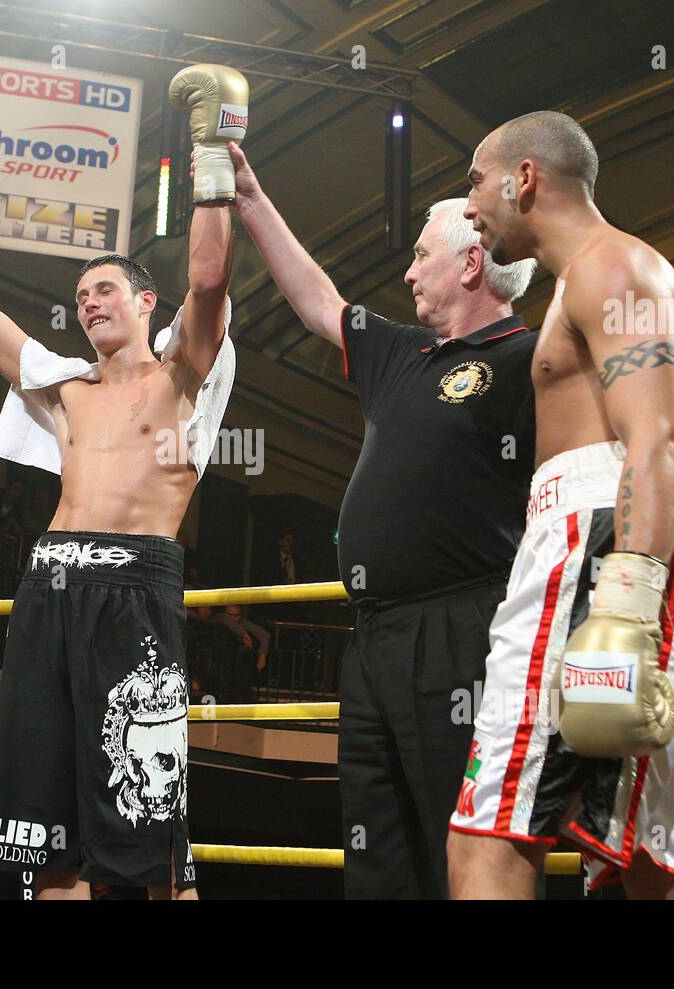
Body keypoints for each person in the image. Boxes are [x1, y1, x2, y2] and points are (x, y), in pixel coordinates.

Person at [0, 62, 242, 901]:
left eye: (104, 289)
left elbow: (210, 280)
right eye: (80, 294)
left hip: (134, 590)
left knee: (144, 820)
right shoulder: (64, 389)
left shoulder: (184, 377)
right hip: (49, 587)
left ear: (144, 301)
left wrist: (212, 155)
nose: (89, 301)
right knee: (38, 826)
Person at [229, 143, 538, 898]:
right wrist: (250, 199)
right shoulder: (407, 351)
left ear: (469, 265)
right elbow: (318, 301)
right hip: (372, 635)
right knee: (376, 848)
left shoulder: (531, 358)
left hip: (463, 625)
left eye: (421, 256)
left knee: (459, 846)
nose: (406, 272)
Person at [448, 110, 674, 899]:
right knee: (648, 857)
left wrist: (627, 605)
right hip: (620, 540)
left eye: (476, 181)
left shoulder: (614, 268)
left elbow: (659, 440)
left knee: (491, 835)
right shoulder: (591, 277)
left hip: (605, 543)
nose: (470, 206)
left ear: (525, 178)